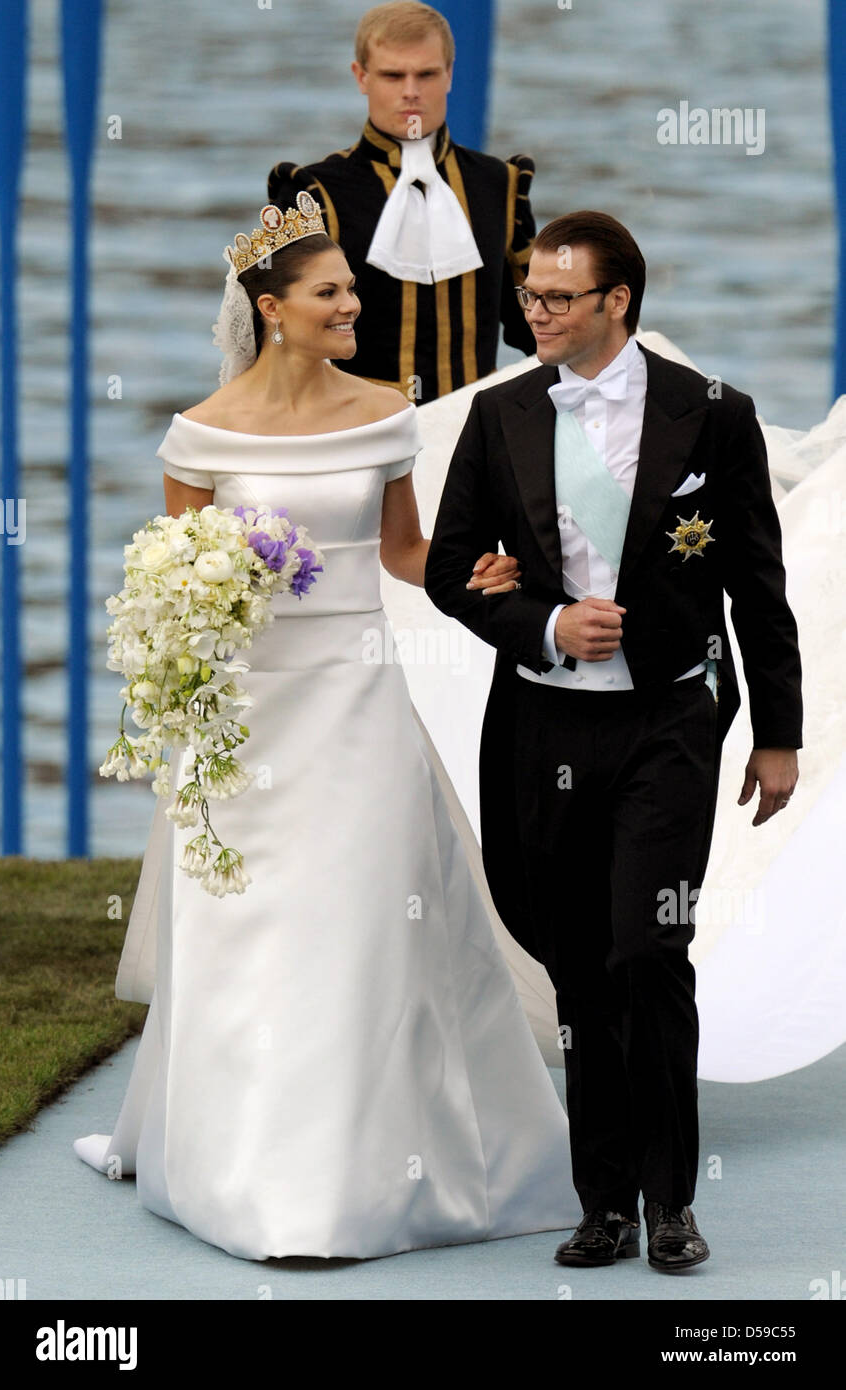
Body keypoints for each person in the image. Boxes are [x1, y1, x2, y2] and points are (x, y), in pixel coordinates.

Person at [72, 193, 580, 1261]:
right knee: (252, 928)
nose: (355, 303)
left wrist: (477, 577)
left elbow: (403, 550)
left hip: (355, 697)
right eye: (332, 291)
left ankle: (362, 1173)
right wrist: (184, 643)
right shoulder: (198, 435)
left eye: (352, 286)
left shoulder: (383, 414)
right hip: (247, 712)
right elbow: (177, 572)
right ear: (271, 308)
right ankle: (243, 1167)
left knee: (360, 919)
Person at [424, 210, 802, 1272]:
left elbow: (756, 585)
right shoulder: (497, 415)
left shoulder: (713, 415)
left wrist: (777, 733)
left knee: (648, 948)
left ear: (615, 303)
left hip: (670, 717)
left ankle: (671, 1201)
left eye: (553, 298)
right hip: (542, 721)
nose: (531, 313)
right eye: (528, 296)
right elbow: (450, 567)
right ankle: (602, 1204)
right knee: (580, 966)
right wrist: (542, 623)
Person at [267, 1, 535, 403]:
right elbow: (282, 341)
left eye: (426, 74)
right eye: (393, 75)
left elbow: (534, 325)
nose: (411, 91)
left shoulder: (501, 183)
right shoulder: (315, 193)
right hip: (357, 435)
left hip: (477, 436)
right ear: (361, 77)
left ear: (449, 75)